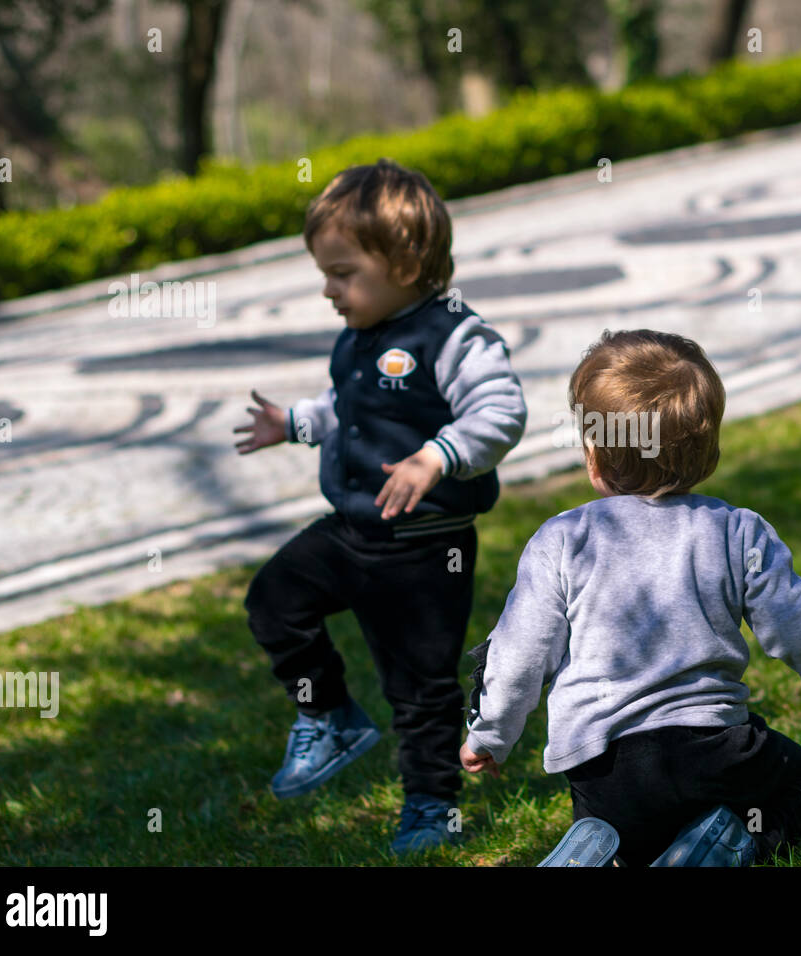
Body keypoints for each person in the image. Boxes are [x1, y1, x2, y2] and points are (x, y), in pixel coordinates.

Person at [460, 328, 801, 866]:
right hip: (713, 753)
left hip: (600, 774)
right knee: (794, 777)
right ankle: (720, 846)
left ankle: (606, 848)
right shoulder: (736, 531)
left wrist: (488, 735)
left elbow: (518, 655)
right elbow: (798, 625)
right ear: (708, 451)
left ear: (595, 457)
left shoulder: (561, 539)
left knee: (627, 835)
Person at [233, 158, 527, 856]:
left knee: (420, 689)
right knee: (273, 601)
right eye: (324, 275)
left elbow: (502, 410)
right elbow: (350, 407)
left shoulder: (454, 334)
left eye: (342, 273)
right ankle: (329, 712)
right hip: (354, 529)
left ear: (406, 259)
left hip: (429, 547)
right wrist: (296, 423)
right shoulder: (363, 333)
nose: (329, 291)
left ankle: (431, 807)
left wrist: (438, 455)